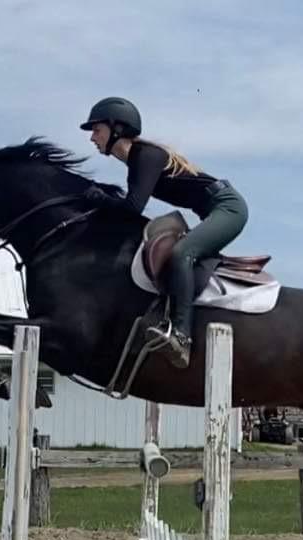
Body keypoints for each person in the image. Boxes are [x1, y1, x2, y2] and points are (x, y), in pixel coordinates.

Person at [79, 96, 248, 369]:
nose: (92, 138)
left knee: (182, 252)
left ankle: (181, 336)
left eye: (96, 130)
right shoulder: (136, 161)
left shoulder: (145, 156)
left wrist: (99, 198)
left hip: (228, 207)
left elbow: (132, 207)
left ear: (116, 129)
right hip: (212, 210)